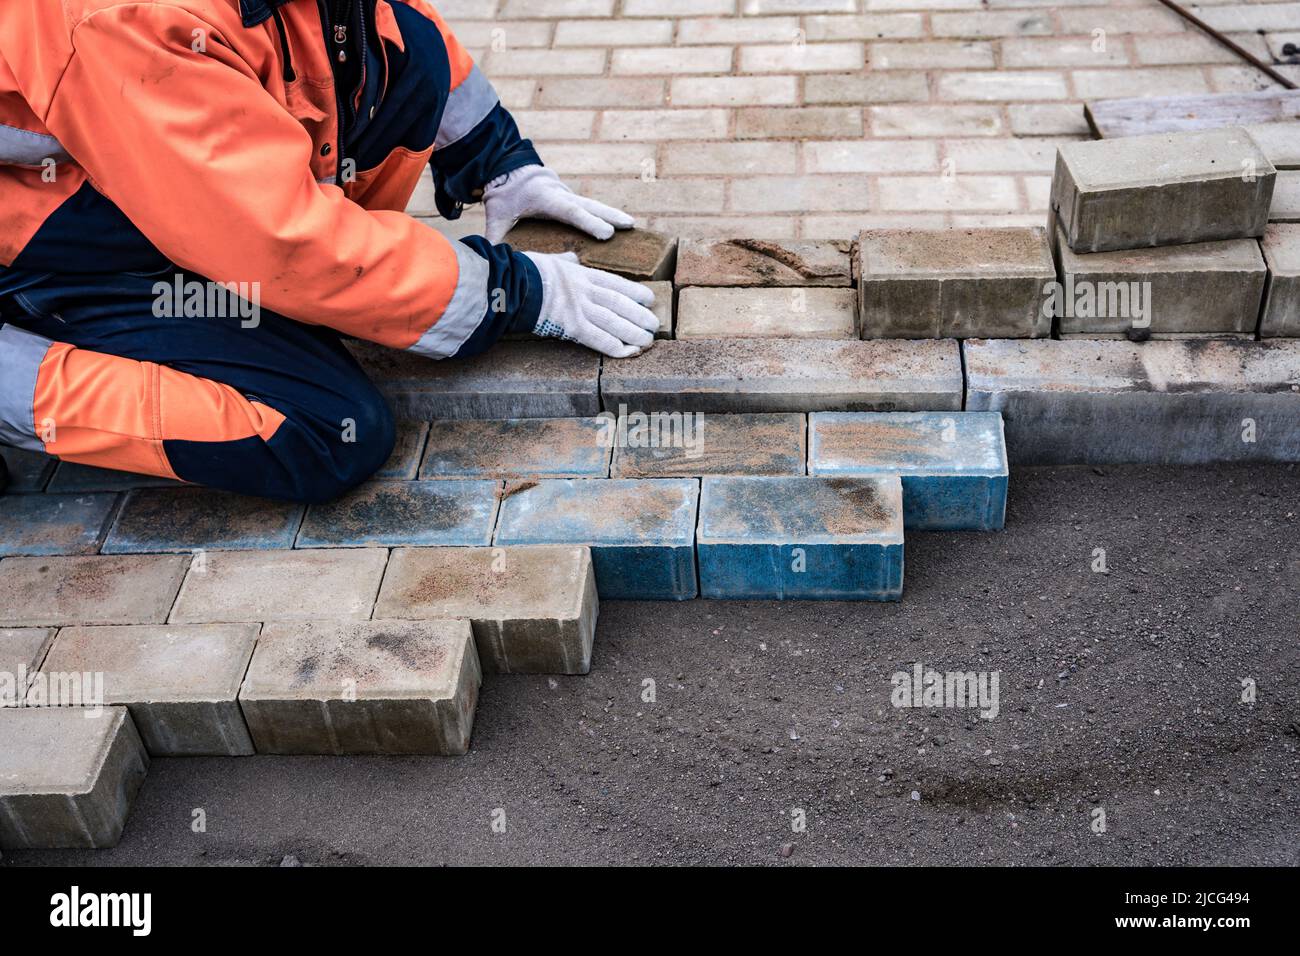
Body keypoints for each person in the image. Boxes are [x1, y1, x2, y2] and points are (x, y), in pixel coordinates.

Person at [0, 0, 657, 501]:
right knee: (325, 430)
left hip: (163, 183)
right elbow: (276, 238)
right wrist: (511, 291)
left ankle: (350, 288)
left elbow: (390, 28)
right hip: (46, 248)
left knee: (408, 48)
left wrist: (498, 158)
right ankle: (18, 378)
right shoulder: (130, 19)